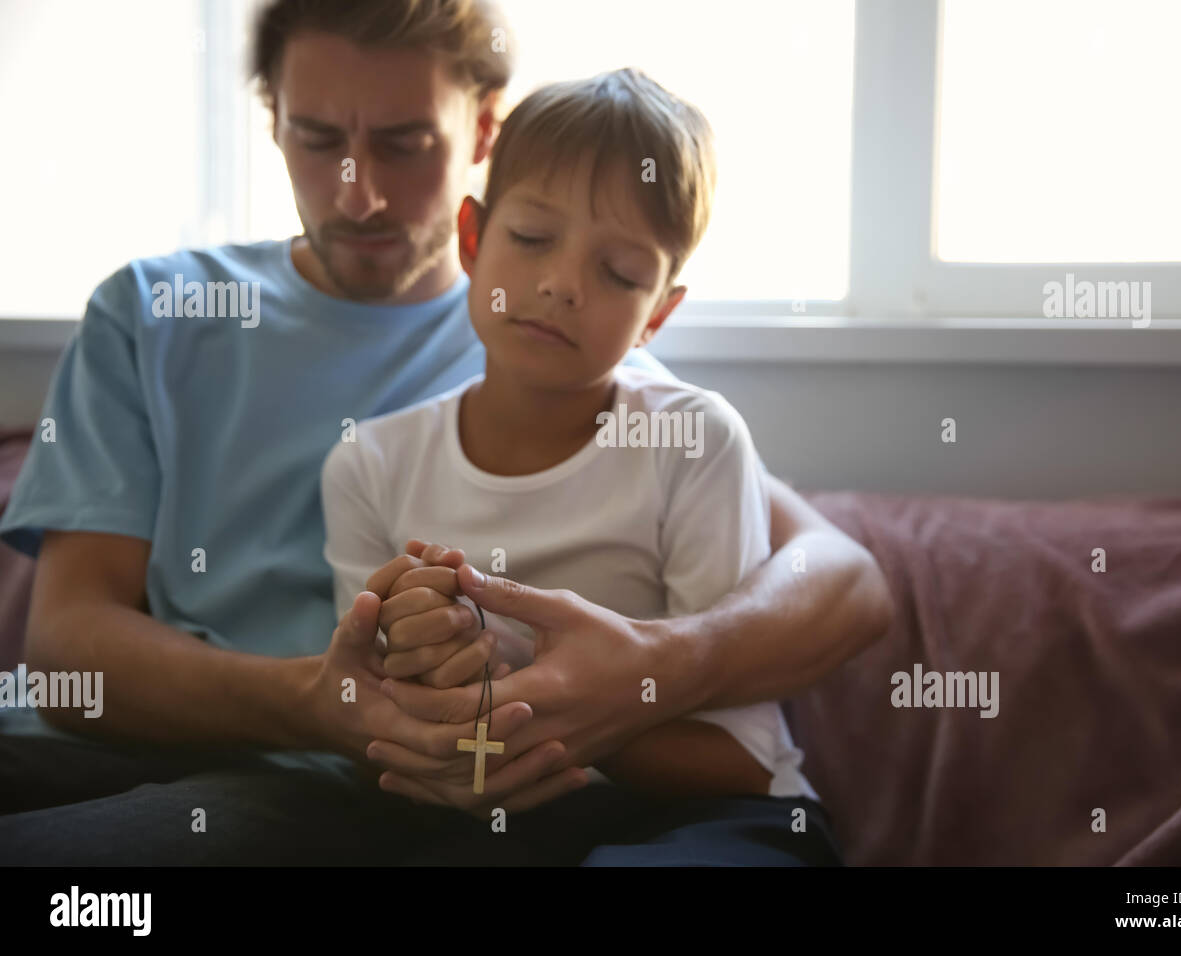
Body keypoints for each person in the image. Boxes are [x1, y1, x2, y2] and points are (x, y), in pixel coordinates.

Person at [0, 0, 891, 865]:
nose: (362, 194)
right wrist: (320, 700)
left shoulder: (553, 351)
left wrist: (644, 672)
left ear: (483, 129)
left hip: (324, 794)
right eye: (317, 138)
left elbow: (844, 581)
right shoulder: (155, 312)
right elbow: (69, 648)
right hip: (155, 753)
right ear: (271, 119)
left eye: (405, 142)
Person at [323, 67, 818, 811]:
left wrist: (519, 707)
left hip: (689, 818)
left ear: (658, 314)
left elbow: (739, 761)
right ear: (472, 238)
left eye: (619, 273)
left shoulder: (693, 442)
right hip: (460, 819)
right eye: (530, 238)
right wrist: (422, 672)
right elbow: (369, 734)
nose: (562, 284)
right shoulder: (371, 464)